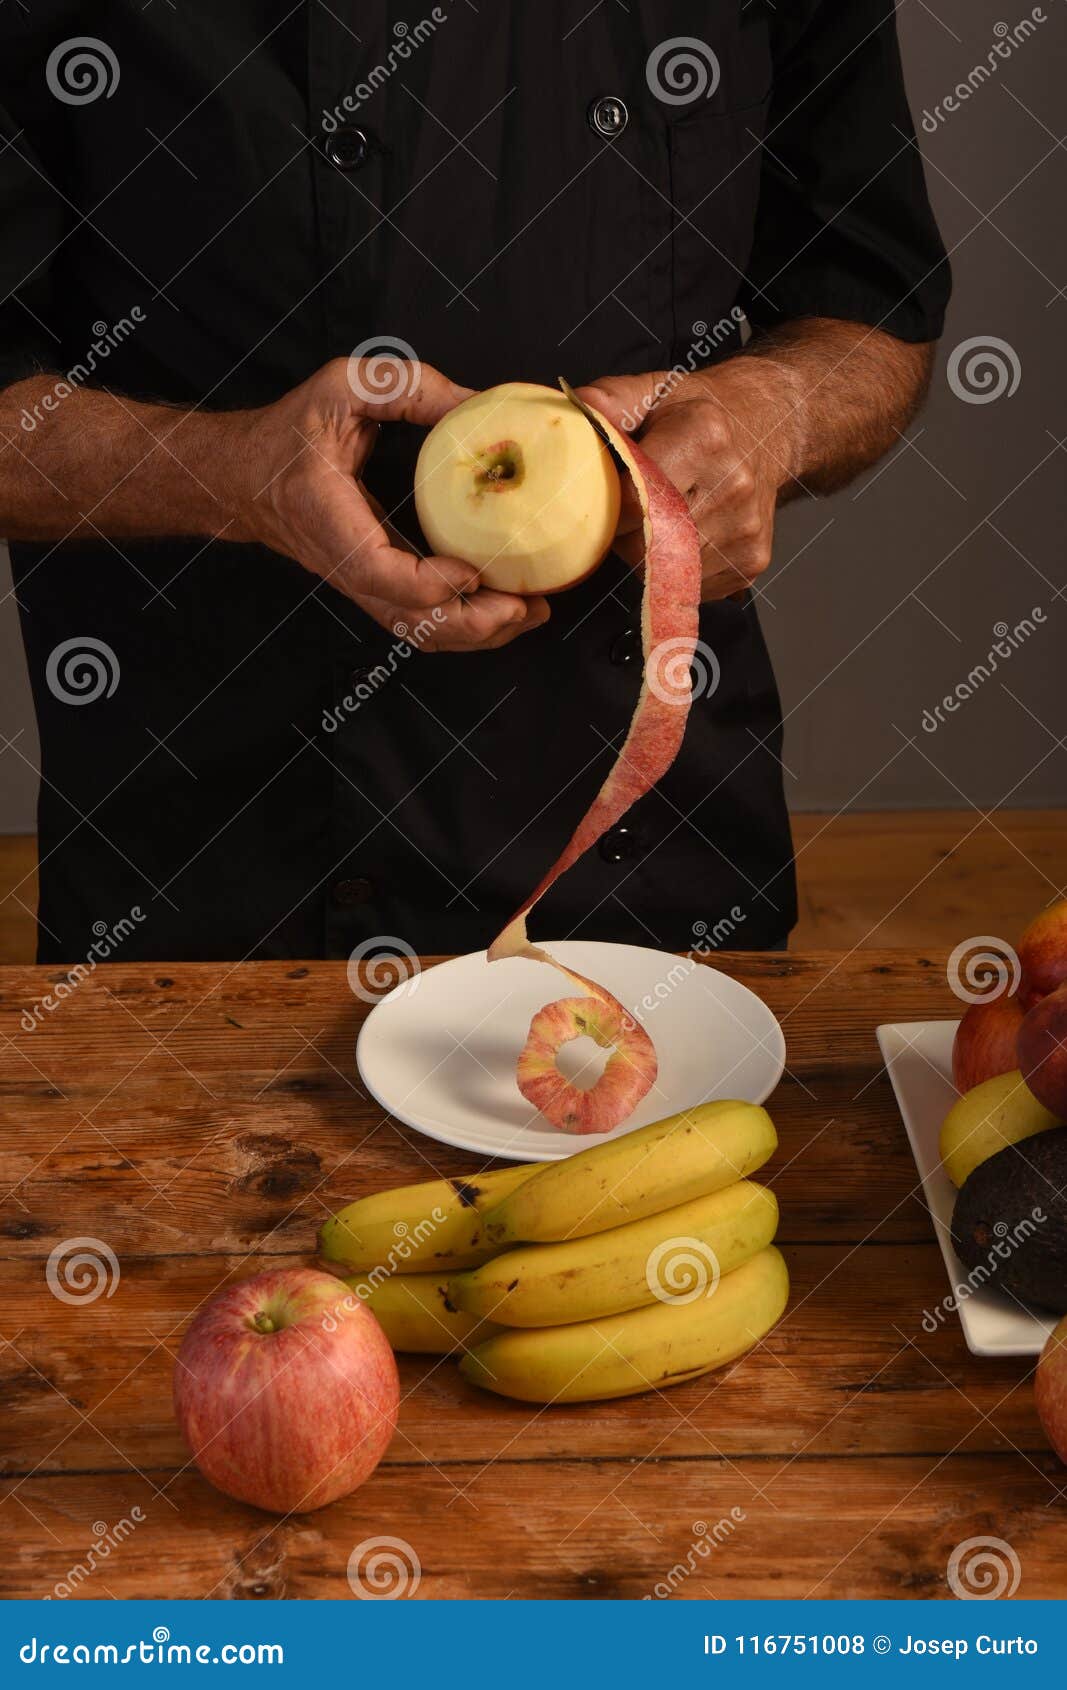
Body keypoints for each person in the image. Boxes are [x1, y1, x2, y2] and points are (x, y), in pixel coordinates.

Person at [0, 4, 949, 965]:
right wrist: (233, 475)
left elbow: (873, 303)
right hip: (205, 855)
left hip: (645, 865)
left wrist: (776, 412)